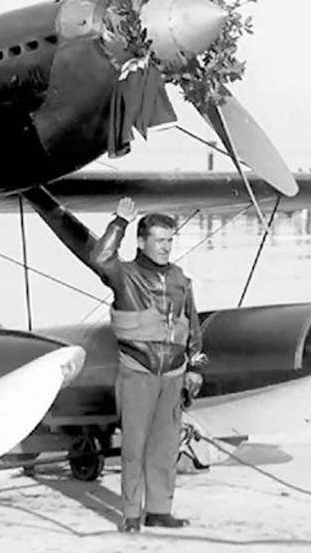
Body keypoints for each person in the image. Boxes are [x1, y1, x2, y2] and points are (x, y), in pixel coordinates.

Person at [90, 197, 205, 533]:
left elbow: (192, 326)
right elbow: (99, 258)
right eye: (159, 240)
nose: (166, 247)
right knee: (134, 448)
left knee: (165, 447)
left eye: (170, 240)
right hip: (137, 373)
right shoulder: (123, 276)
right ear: (142, 242)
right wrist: (119, 223)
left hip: (173, 374)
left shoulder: (181, 280)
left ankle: (159, 510)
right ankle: (130, 514)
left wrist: (195, 368)